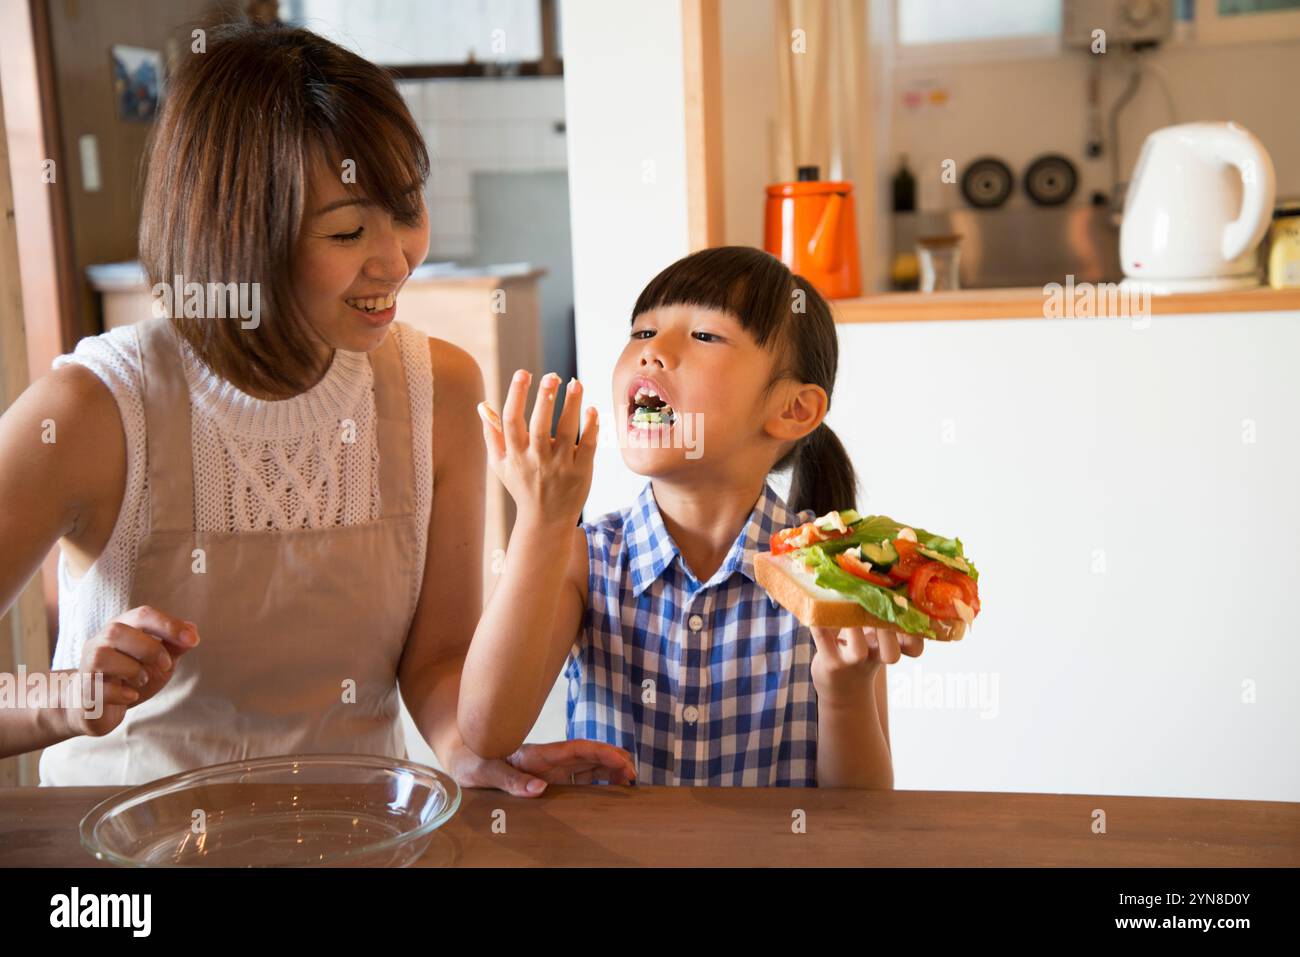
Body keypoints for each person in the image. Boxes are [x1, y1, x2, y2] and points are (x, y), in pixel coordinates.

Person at [0, 21, 633, 794]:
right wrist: (61, 701)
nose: (396, 259)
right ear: (234, 232)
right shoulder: (93, 409)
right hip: (128, 843)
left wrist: (469, 749)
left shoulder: (439, 387)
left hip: (353, 829)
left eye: (406, 210)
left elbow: (434, 663)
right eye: (346, 229)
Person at [461, 246, 922, 787]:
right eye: (642, 332)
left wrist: (844, 696)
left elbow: (863, 821)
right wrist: (541, 520)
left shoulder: (834, 575)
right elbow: (487, 732)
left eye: (705, 335)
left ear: (793, 410)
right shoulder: (584, 558)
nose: (652, 352)